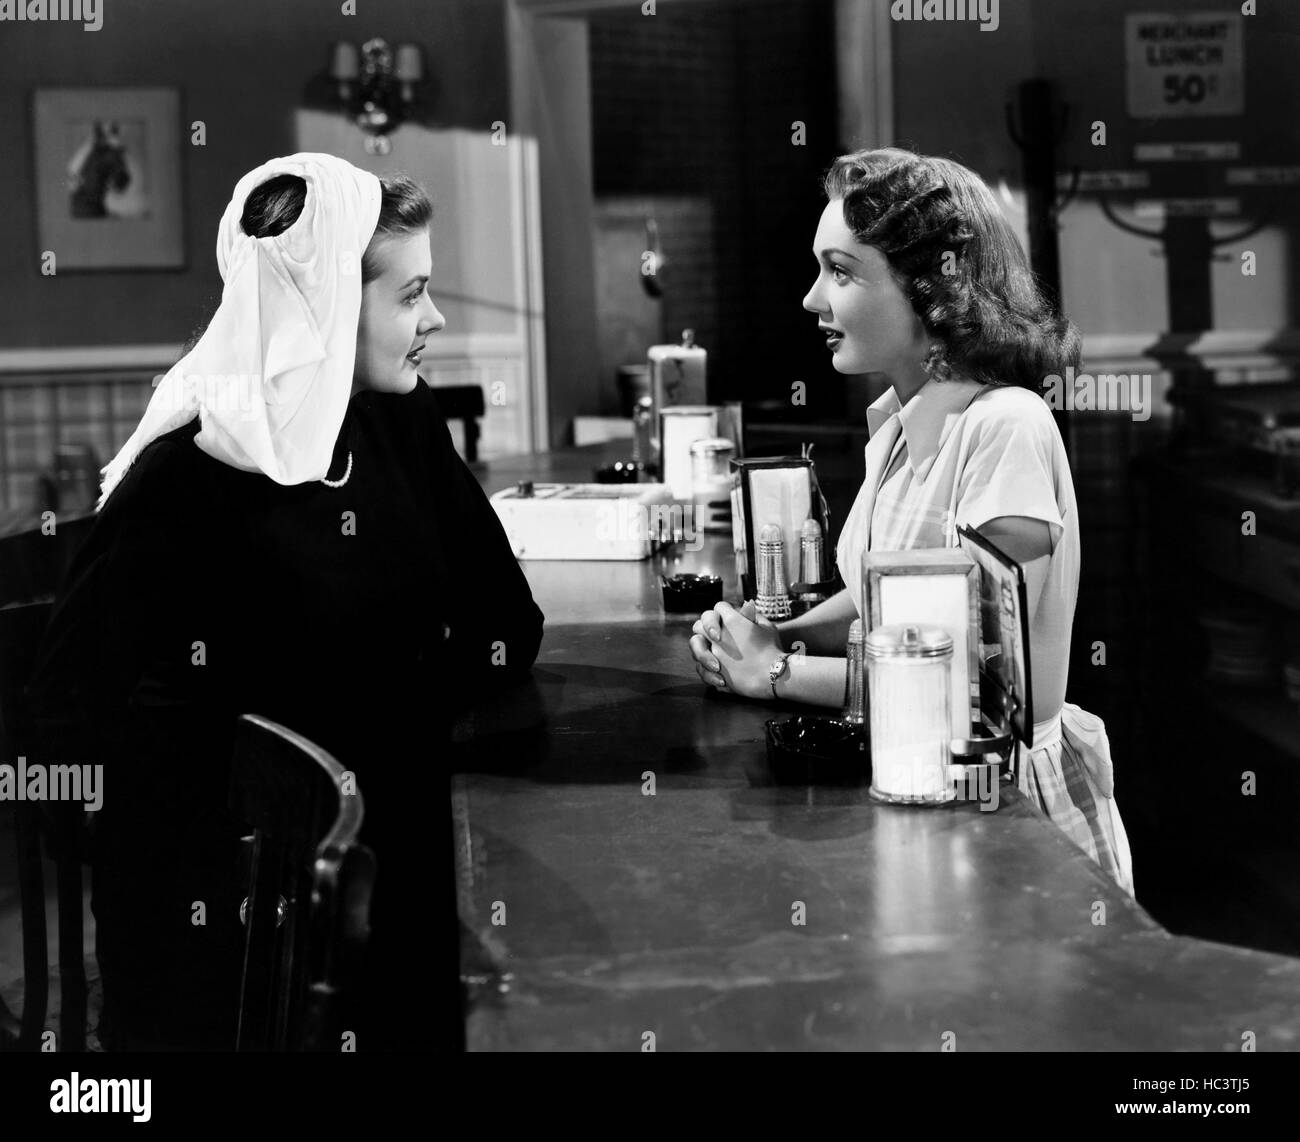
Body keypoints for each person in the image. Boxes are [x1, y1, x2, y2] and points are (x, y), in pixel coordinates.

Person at [27, 153, 545, 1050]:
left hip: (386, 841)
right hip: (222, 906)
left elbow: (508, 624)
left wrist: (383, 731)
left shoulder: (399, 423)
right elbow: (66, 719)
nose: (435, 318)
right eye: (411, 294)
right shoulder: (184, 478)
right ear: (328, 308)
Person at [687, 147, 1133, 897]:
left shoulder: (1007, 427)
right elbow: (881, 598)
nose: (811, 300)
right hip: (917, 772)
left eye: (841, 271)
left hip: (997, 795)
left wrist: (778, 673)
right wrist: (775, 634)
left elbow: (973, 678)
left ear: (935, 286)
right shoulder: (896, 426)